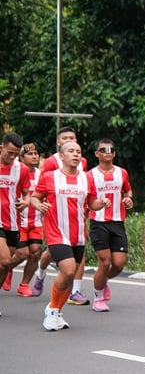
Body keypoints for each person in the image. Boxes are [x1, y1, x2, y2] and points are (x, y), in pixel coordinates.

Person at [28, 140, 108, 330]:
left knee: (70, 278)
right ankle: (52, 310)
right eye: (71, 151)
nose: (75, 154)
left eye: (78, 151)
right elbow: (34, 197)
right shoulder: (49, 177)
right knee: (69, 270)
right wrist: (39, 205)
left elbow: (92, 203)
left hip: (78, 234)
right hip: (57, 233)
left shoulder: (86, 178)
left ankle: (56, 311)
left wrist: (102, 203)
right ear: (61, 156)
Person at [30, 126, 90, 302]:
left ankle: (75, 291)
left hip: (77, 219)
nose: (69, 140)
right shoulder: (50, 164)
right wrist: (41, 206)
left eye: (73, 138)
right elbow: (41, 192)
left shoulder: (83, 163)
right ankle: (41, 274)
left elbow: (84, 187)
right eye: (65, 139)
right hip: (54, 217)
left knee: (77, 257)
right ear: (59, 143)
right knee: (51, 253)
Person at [86, 139, 134, 312]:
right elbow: (89, 201)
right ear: (96, 153)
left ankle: (102, 281)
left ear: (114, 154)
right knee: (105, 261)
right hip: (98, 222)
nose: (107, 152)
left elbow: (127, 190)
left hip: (117, 221)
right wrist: (99, 203)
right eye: (103, 149)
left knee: (119, 263)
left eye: (111, 150)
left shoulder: (122, 173)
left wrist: (128, 199)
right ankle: (98, 298)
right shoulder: (90, 175)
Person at [0, 133, 32, 312]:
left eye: (15, 154)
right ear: (1, 148)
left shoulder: (22, 169)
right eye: (9, 153)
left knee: (3, 266)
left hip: (12, 221)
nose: (12, 157)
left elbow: (27, 193)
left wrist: (26, 201)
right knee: (5, 261)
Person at [15, 142, 44, 297]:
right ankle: (5, 269)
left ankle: (24, 284)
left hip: (36, 221)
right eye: (30, 154)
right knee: (21, 253)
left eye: (36, 154)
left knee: (34, 253)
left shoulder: (42, 175)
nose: (34, 156)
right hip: (18, 220)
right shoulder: (16, 172)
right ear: (21, 158)